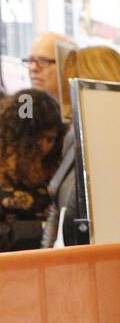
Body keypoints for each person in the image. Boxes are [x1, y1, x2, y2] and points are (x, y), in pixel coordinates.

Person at [40, 44, 120, 247]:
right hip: (69, 259)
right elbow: (58, 212)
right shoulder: (74, 135)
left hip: (107, 259)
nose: (66, 96)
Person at [0, 89, 64, 252]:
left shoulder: (55, 165)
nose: (43, 146)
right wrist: (43, 228)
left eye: (50, 139)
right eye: (36, 139)